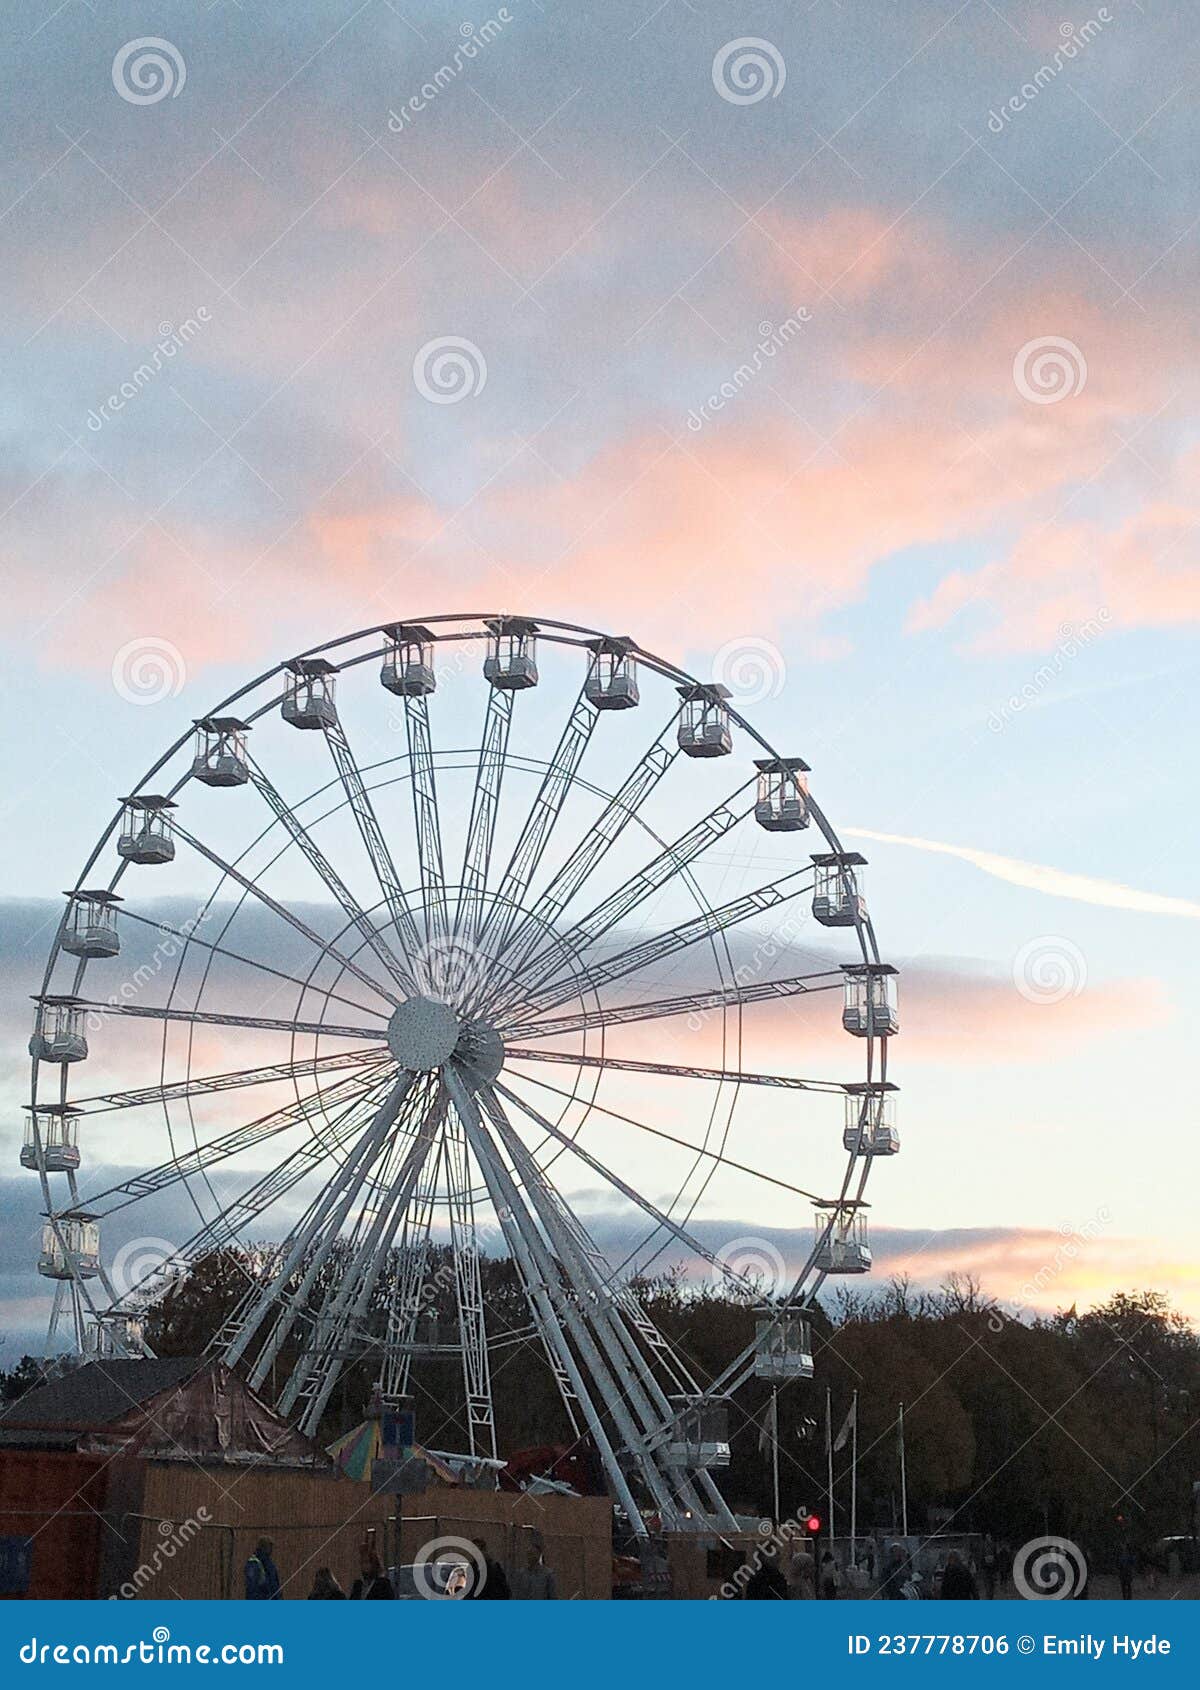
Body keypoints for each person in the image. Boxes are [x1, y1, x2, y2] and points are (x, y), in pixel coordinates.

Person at [980, 1535, 998, 1600]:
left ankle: (990, 1597)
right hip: (987, 1569)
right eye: (987, 1537)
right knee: (988, 1585)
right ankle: (989, 1597)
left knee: (991, 1585)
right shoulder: (984, 1546)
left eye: (989, 1537)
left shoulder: (993, 1545)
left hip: (990, 1568)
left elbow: (995, 1556)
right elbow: (982, 1557)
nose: (988, 1538)